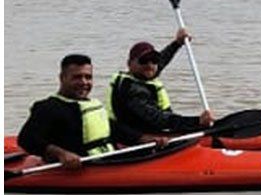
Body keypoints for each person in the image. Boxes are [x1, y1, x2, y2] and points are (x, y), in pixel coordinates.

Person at [16, 54, 155, 169]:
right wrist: (61, 154)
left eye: (88, 77)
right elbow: (27, 139)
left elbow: (112, 129)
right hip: (79, 170)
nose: (84, 82)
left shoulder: (90, 105)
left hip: (107, 161)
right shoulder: (48, 107)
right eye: (77, 77)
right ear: (62, 78)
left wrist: (141, 138)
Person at [108, 31, 215, 136]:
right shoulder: (132, 90)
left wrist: (177, 43)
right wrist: (197, 121)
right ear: (129, 64)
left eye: (153, 60)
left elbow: (162, 60)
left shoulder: (142, 75)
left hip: (155, 130)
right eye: (144, 60)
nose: (150, 65)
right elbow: (158, 119)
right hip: (140, 139)